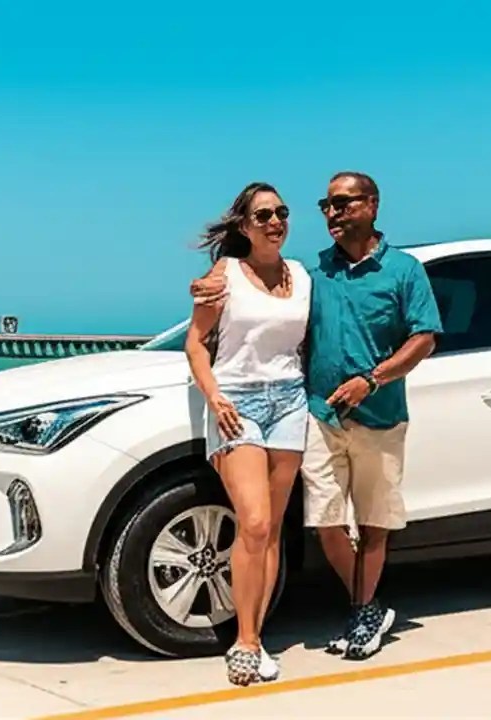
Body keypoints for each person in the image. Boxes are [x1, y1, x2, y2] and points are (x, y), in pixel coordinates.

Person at [191, 171, 442, 660]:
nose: (332, 213)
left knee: (372, 525)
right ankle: (364, 608)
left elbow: (425, 339)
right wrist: (211, 278)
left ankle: (361, 611)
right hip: (318, 415)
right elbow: (252, 301)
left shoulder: (406, 270)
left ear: (372, 205)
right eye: (326, 205)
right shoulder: (313, 273)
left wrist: (373, 379)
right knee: (324, 522)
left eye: (344, 203)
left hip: (382, 415)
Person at [183, 181, 312, 686]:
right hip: (239, 404)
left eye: (281, 212)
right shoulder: (225, 275)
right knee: (254, 522)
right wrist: (214, 396)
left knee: (273, 528)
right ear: (243, 226)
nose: (275, 222)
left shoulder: (301, 276)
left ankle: (257, 634)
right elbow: (196, 344)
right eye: (262, 216)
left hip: (289, 402)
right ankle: (245, 640)